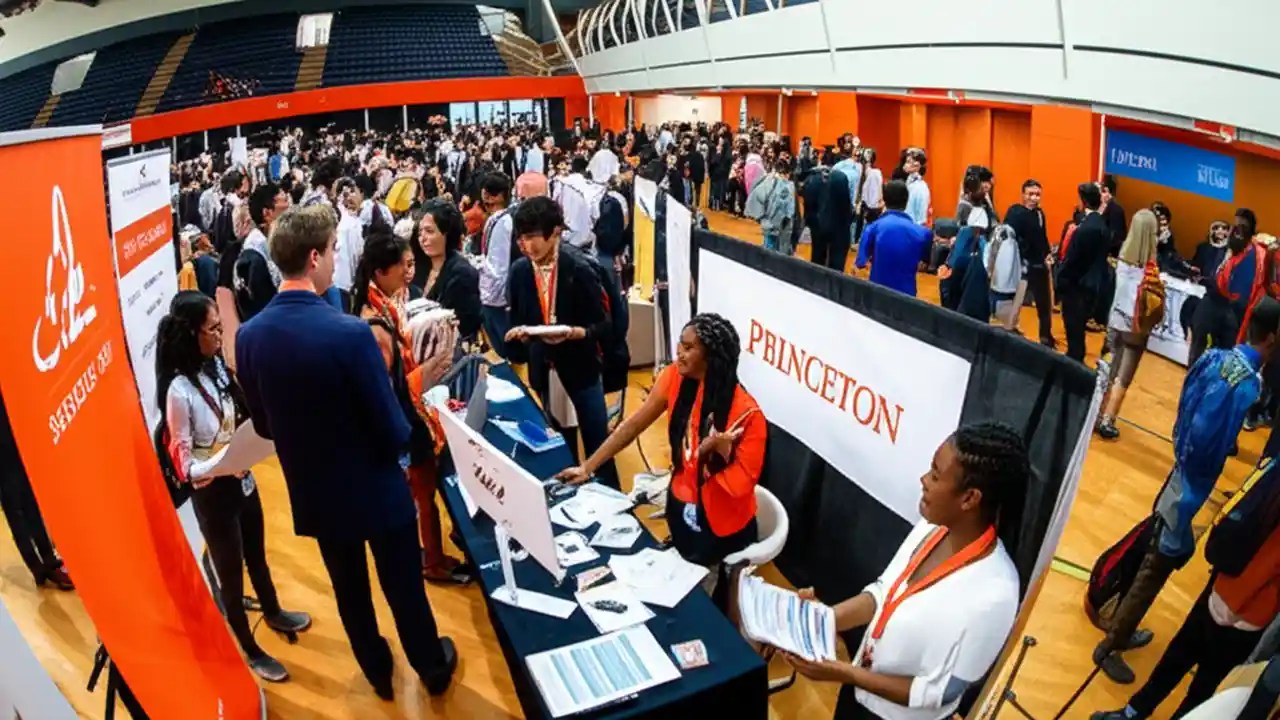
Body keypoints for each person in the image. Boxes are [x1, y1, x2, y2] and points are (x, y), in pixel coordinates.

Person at [235, 205, 458, 700]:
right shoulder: (352, 333)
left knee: (350, 591)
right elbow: (391, 425)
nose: (337, 260)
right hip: (376, 486)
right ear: (314, 257)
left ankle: (378, 672)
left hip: (315, 492)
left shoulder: (248, 338)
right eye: (333, 250)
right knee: (403, 586)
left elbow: (266, 424)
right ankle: (431, 667)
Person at [780, 422, 1026, 720]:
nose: (924, 480)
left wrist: (844, 673)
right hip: (857, 698)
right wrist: (823, 620)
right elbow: (884, 593)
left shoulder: (996, 593)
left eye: (935, 475)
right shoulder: (931, 527)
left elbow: (940, 692)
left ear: (970, 499)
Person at [1093, 297, 1280, 684]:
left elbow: (1186, 412)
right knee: (1156, 566)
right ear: (1272, 339)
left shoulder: (1215, 358)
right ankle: (1110, 644)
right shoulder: (1244, 384)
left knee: (1156, 556)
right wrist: (1195, 483)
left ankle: (1121, 629)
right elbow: (1210, 441)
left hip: (1180, 472)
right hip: (1189, 487)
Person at [557, 314, 766, 605]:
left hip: (720, 526)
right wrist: (587, 467)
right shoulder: (673, 377)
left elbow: (740, 486)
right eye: (680, 344)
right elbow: (631, 426)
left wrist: (713, 453)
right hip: (680, 509)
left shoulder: (748, 415)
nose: (679, 352)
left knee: (704, 606)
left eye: (689, 347)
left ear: (712, 356)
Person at [157, 290, 310, 682]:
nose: (219, 334)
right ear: (192, 333)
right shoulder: (179, 392)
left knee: (257, 554)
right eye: (213, 329)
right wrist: (224, 464)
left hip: (242, 477)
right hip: (214, 492)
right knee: (231, 573)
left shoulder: (216, 368)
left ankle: (273, 610)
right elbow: (185, 465)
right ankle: (249, 647)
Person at [1092, 513, 1280, 720]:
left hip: (1239, 610)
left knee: (1194, 680)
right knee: (1182, 667)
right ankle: (1132, 712)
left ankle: (1132, 713)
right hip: (1227, 598)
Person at [505, 197, 620, 489]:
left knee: (597, 444)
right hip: (544, 369)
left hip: (582, 368)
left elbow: (607, 325)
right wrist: (520, 337)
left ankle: (612, 500)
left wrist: (576, 333)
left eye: (531, 237)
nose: (525, 245)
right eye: (521, 237)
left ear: (555, 232)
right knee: (558, 444)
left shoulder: (580, 268)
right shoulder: (520, 271)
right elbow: (517, 316)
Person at [1096, 209, 1160, 440]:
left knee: (1107, 368)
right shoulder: (1151, 269)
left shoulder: (1120, 259)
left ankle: (1096, 412)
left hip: (1115, 320)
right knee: (1124, 375)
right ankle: (1108, 420)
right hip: (1136, 327)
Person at [0, 395, 72, 592]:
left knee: (29, 501)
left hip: (14, 441)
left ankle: (48, 560)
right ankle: (38, 566)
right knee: (15, 509)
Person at [1057, 182, 1111, 363]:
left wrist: (1060, 278)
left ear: (1084, 201)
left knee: (1074, 334)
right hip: (1091, 285)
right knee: (1077, 332)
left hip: (1078, 287)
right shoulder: (1101, 224)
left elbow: (1074, 260)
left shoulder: (1087, 228)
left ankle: (1073, 368)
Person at [417, 199, 483, 343]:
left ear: (447, 234)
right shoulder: (418, 267)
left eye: (429, 231)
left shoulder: (462, 274)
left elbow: (465, 326)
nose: (422, 238)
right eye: (420, 231)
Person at [855, 179, 933, 297]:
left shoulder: (872, 229)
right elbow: (924, 265)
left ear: (884, 200)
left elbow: (860, 263)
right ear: (906, 201)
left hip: (877, 293)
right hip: (908, 296)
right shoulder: (924, 234)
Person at [1004, 180, 1055, 347]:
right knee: (1016, 301)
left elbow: (1042, 237)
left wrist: (1047, 254)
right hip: (1021, 266)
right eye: (1030, 194)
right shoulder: (1015, 213)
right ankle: (1009, 329)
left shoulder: (1040, 214)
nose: (1034, 198)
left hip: (1038, 264)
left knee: (1044, 304)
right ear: (1023, 195)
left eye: (1037, 194)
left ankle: (1046, 337)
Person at [478, 173, 519, 358]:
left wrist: (491, 294)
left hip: (496, 296)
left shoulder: (504, 222)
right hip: (491, 291)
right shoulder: (496, 219)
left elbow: (499, 265)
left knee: (505, 348)